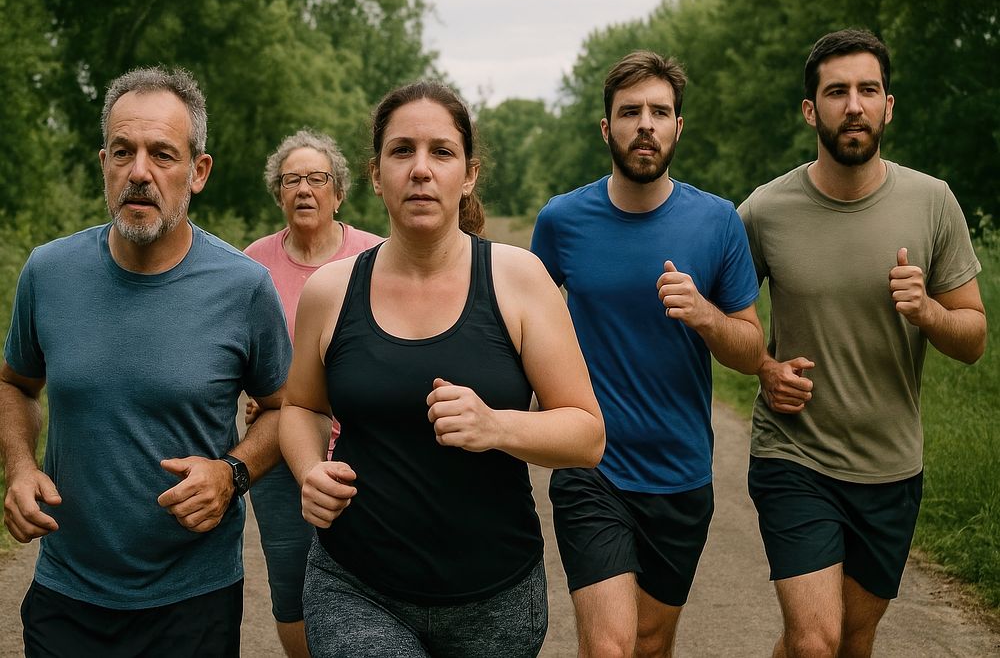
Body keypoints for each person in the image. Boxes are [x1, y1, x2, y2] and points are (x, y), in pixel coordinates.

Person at [279, 80, 605, 657]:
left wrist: (497, 427)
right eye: (402, 151)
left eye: (442, 152)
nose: (421, 169)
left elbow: (586, 434)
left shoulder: (519, 278)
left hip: (496, 597)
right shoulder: (331, 291)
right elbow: (302, 405)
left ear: (469, 174)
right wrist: (310, 469)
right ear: (376, 175)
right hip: (356, 583)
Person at [0, 66, 292, 657]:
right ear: (102, 161)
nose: (139, 172)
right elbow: (16, 385)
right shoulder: (48, 273)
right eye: (122, 151)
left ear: (198, 171)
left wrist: (231, 475)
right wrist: (21, 467)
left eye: (162, 154)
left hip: (194, 598)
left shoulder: (244, 286)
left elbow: (288, 410)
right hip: (67, 593)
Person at [738, 29, 987, 658]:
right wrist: (764, 367)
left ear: (888, 105)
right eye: (837, 91)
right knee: (815, 640)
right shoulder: (765, 211)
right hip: (793, 456)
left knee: (851, 639)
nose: (854, 105)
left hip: (891, 466)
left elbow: (974, 339)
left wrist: (927, 309)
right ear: (810, 110)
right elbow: (723, 320)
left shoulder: (933, 201)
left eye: (867, 90)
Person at [530, 51, 764, 657]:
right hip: (592, 466)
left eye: (660, 112)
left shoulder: (717, 223)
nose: (646, 125)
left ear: (678, 127)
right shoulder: (562, 220)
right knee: (610, 645)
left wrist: (707, 315)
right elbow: (525, 328)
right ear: (606, 127)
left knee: (652, 642)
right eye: (630, 111)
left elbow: (750, 350)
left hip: (680, 472)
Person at [242, 129, 382, 657]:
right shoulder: (253, 263)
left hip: (365, 448)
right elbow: (238, 353)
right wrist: (262, 392)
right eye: (291, 179)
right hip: (279, 453)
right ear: (279, 193)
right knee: (292, 587)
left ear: (338, 192)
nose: (304, 189)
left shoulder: (373, 255)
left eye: (316, 179)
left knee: (367, 580)